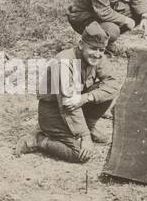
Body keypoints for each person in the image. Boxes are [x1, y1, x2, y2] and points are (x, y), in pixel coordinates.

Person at [17, 23, 119, 163]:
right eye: (93, 48)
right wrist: (85, 137)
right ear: (81, 44)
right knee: (80, 154)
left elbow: (113, 84)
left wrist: (87, 97)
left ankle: (88, 127)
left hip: (74, 106)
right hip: (54, 112)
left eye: (101, 50)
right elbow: (68, 104)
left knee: (104, 92)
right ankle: (38, 140)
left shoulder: (97, 57)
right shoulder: (63, 62)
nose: (97, 54)